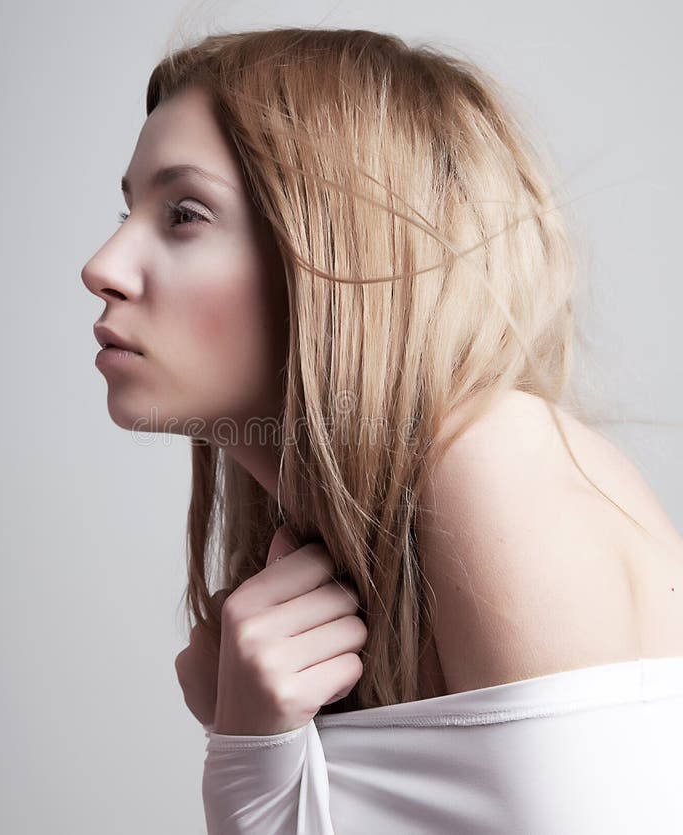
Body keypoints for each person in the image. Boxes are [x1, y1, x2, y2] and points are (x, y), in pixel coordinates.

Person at [80, 26, 683, 835]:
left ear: (333, 238)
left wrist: (253, 779)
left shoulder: (496, 463)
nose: (103, 265)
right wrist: (256, 743)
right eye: (130, 210)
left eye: (183, 213)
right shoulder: (327, 558)